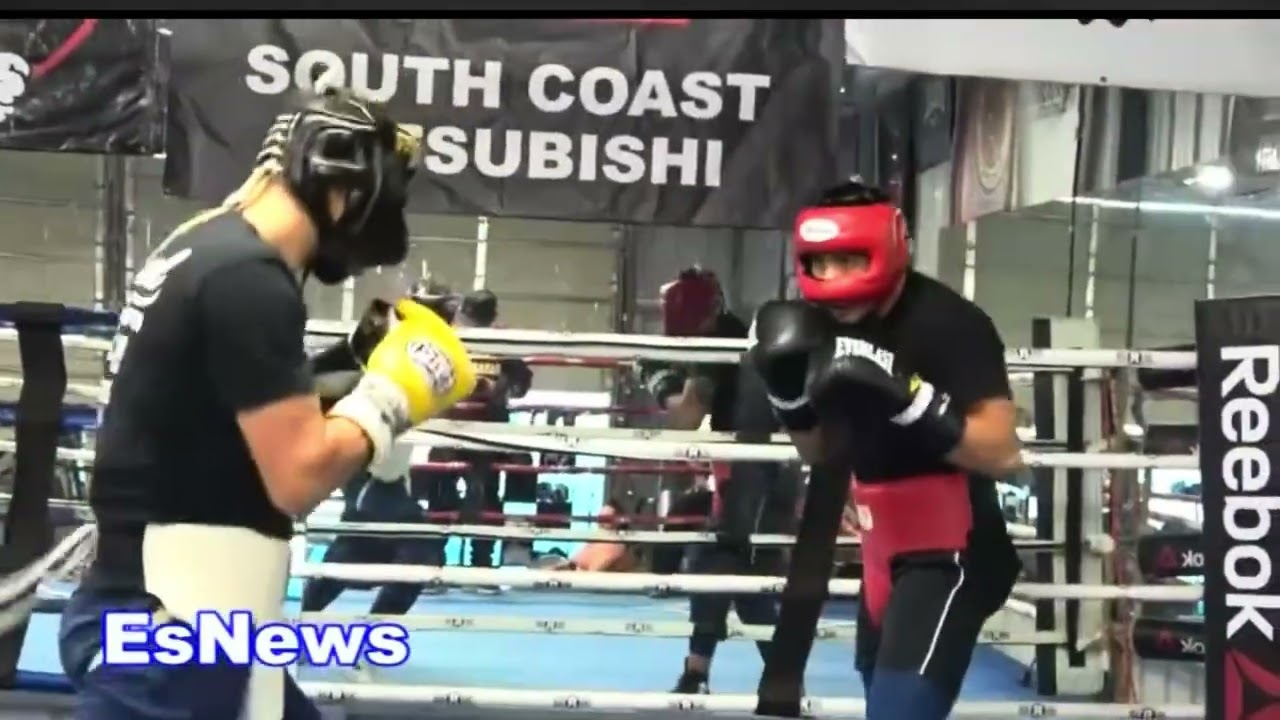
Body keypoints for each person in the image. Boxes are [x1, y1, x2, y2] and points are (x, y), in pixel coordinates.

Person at [57, 86, 478, 720]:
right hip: (169, 631)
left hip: (195, 617)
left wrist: (358, 359)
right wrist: (395, 393)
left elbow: (229, 405)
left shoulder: (205, 245)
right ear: (344, 184)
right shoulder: (247, 277)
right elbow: (299, 476)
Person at [749, 180, 1023, 719]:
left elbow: (1003, 452)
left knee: (901, 711)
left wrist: (909, 396)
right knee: (882, 702)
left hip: (952, 547)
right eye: (820, 263)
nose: (830, 277)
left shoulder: (948, 324)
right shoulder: (819, 325)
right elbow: (819, 452)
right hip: (879, 545)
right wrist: (789, 398)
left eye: (846, 259)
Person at [639, 268, 800, 695]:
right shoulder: (743, 332)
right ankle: (699, 674)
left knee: (738, 575)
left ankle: (764, 679)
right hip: (755, 469)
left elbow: (686, 418)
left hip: (760, 473)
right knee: (725, 571)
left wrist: (658, 382)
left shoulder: (720, 347)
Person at [419, 288, 532, 590]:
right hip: (450, 428)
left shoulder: (503, 342)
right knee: (440, 498)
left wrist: (496, 388)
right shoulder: (448, 338)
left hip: (487, 432)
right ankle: (434, 567)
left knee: (485, 499)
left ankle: (480, 569)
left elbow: (521, 384)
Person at [543, 499, 636, 572]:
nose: (601, 522)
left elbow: (593, 575)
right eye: (600, 518)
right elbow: (574, 562)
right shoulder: (597, 540)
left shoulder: (614, 546)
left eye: (606, 519)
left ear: (618, 522)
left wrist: (572, 570)